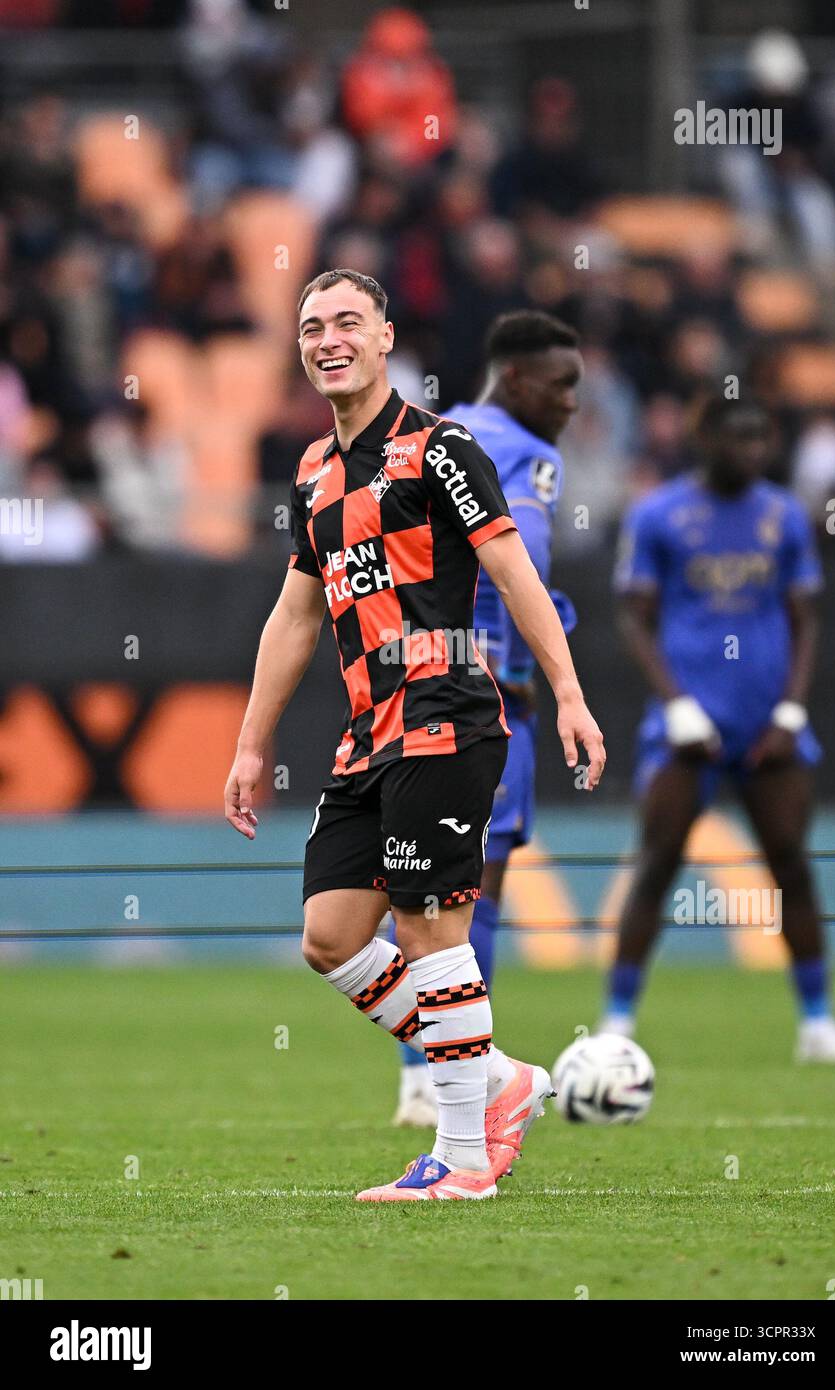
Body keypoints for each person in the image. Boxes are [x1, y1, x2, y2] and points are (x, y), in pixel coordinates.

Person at [224, 269, 606, 1200]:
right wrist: (249, 741)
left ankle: (464, 1159)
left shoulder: (442, 449)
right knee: (329, 937)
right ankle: (499, 1077)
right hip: (366, 732)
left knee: (428, 927)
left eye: (348, 321)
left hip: (445, 715)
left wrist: (566, 692)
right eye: (312, 326)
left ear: (387, 337)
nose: (328, 339)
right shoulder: (313, 470)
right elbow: (293, 616)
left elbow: (512, 572)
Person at [605, 391, 835, 1063]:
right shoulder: (658, 513)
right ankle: (616, 1021)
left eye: (760, 439)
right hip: (687, 724)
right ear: (705, 440)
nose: (751, 450)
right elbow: (633, 615)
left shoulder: (783, 515)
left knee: (791, 867)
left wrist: (789, 709)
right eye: (738, 438)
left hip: (767, 722)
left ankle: (815, 1023)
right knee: (656, 865)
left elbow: (804, 615)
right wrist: (675, 705)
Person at [392, 309, 584, 1126]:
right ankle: (455, 1080)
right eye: (562, 383)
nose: (574, 401)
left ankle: (427, 1077)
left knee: (418, 887)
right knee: (469, 887)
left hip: (427, 686)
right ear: (514, 378)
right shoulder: (505, 450)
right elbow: (502, 567)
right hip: (478, 702)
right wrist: (505, 662)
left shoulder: (440, 436)